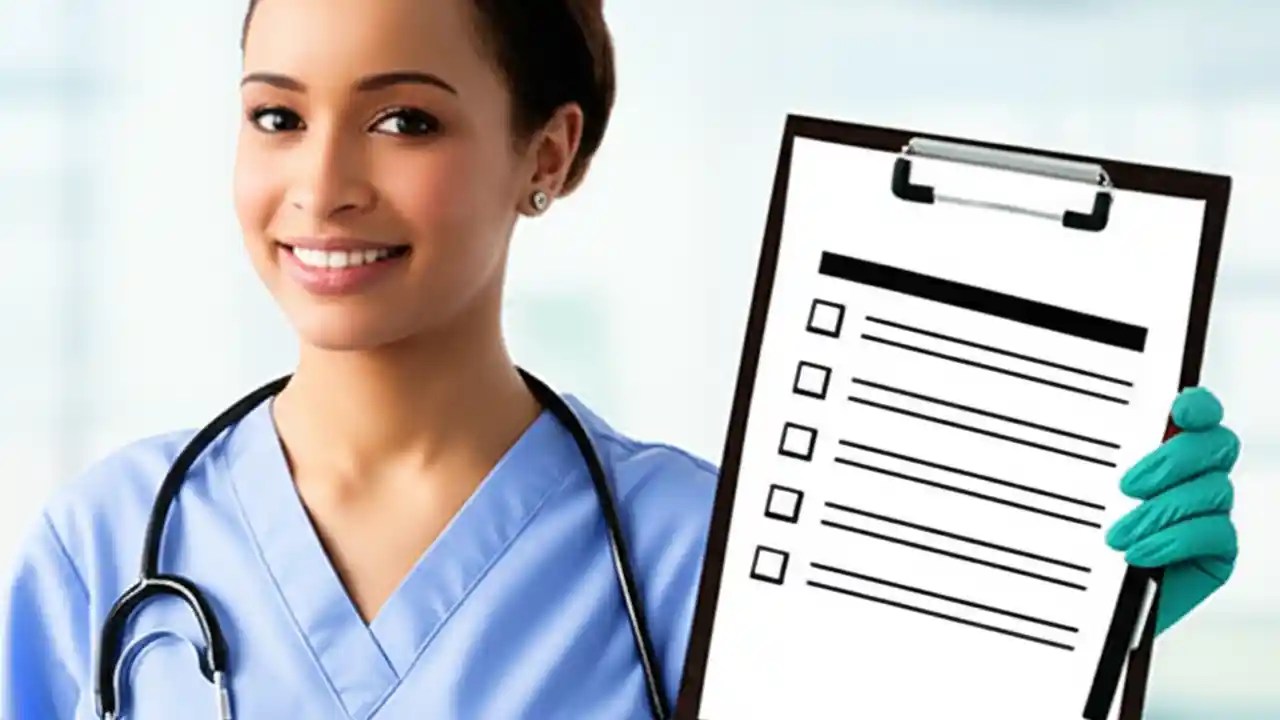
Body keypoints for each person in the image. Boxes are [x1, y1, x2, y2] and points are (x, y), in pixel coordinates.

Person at [0, 0, 1241, 717]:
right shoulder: (111, 546)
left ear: (548, 153)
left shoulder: (709, 558)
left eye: (403, 120)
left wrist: (1078, 649)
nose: (320, 185)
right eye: (277, 115)